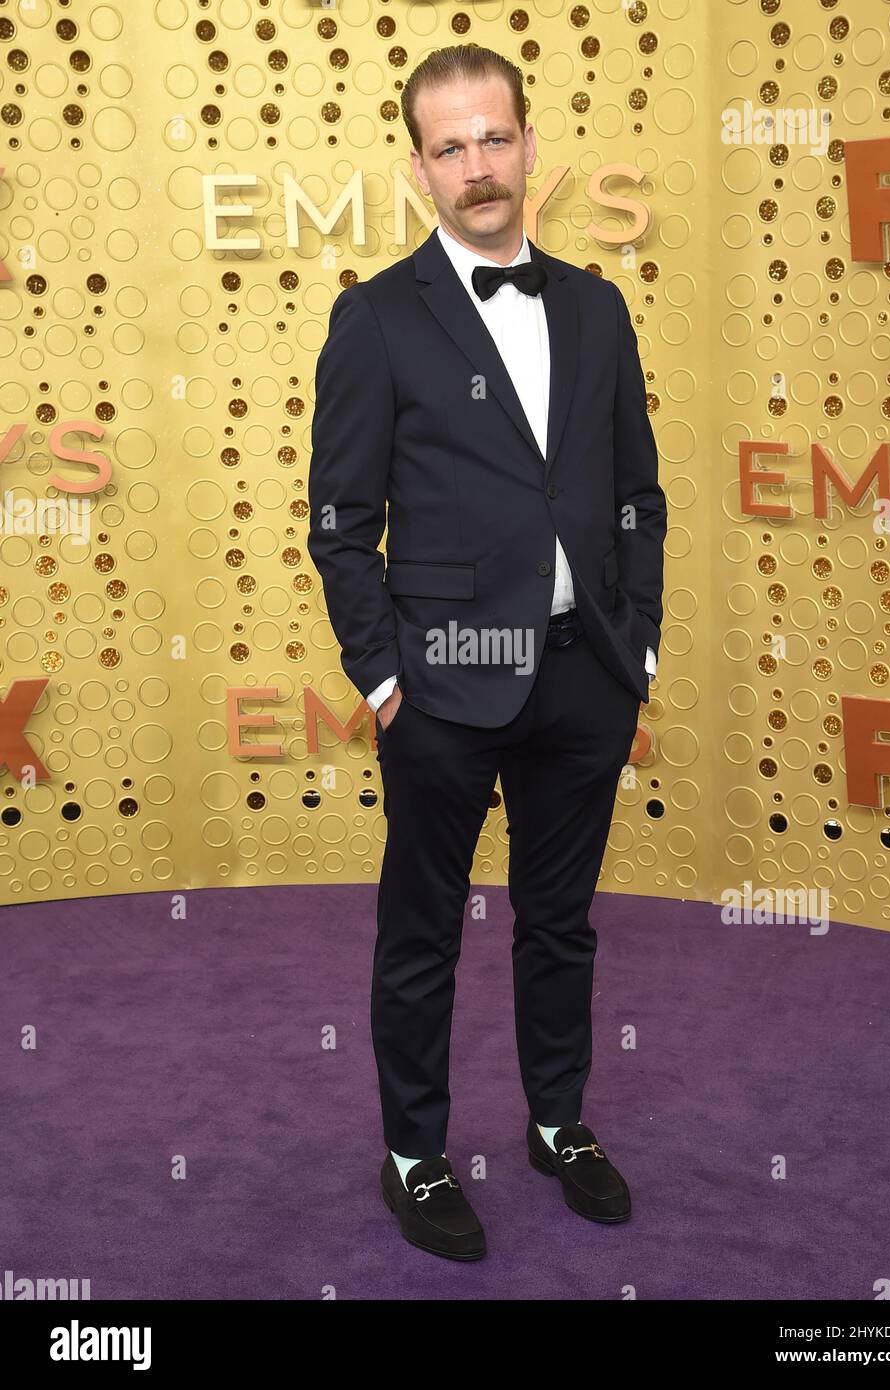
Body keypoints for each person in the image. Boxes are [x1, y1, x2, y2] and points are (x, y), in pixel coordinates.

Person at [308, 43, 667, 1261]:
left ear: (530, 147)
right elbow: (340, 524)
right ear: (420, 168)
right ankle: (415, 1152)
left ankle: (559, 1121)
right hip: (444, 684)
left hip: (584, 677)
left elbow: (640, 495)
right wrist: (385, 678)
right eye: (449, 146)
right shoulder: (373, 319)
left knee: (560, 923)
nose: (476, 166)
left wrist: (641, 650)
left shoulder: (597, 306)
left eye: (493, 138)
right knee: (422, 930)